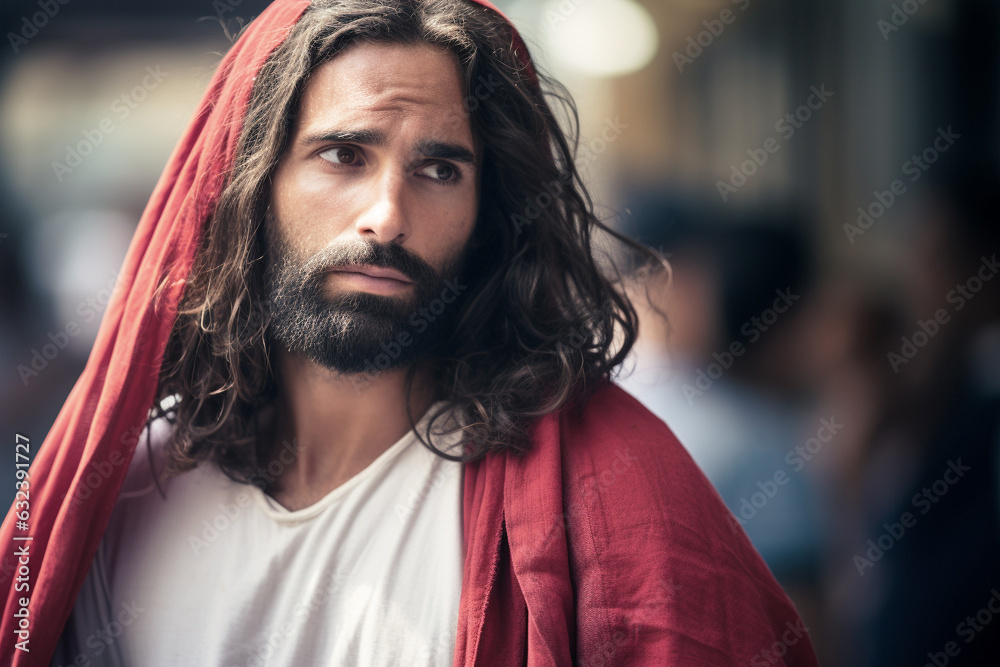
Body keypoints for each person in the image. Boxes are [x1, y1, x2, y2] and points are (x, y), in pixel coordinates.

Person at [1, 1, 819, 665]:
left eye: (439, 169)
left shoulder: (608, 487)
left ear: (485, 214)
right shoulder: (122, 495)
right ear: (253, 187)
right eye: (344, 154)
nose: (388, 214)